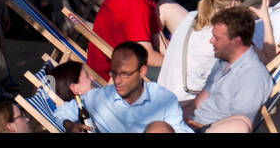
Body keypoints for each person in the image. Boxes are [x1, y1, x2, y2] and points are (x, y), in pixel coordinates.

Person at [157, 0, 276, 102]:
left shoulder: (191, 17)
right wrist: (266, 19)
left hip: (161, 96)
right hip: (184, 103)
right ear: (233, 3)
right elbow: (268, 60)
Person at [55, 41, 191, 133]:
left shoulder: (163, 99)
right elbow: (62, 113)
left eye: (125, 74)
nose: (118, 80)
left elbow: (180, 129)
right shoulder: (98, 98)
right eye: (114, 73)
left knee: (158, 128)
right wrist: (69, 125)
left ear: (142, 72)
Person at [184, 7, 274, 133]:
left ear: (236, 42)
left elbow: (238, 125)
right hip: (190, 124)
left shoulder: (251, 77)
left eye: (216, 38)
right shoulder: (224, 61)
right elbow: (201, 99)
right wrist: (178, 117)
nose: (211, 41)